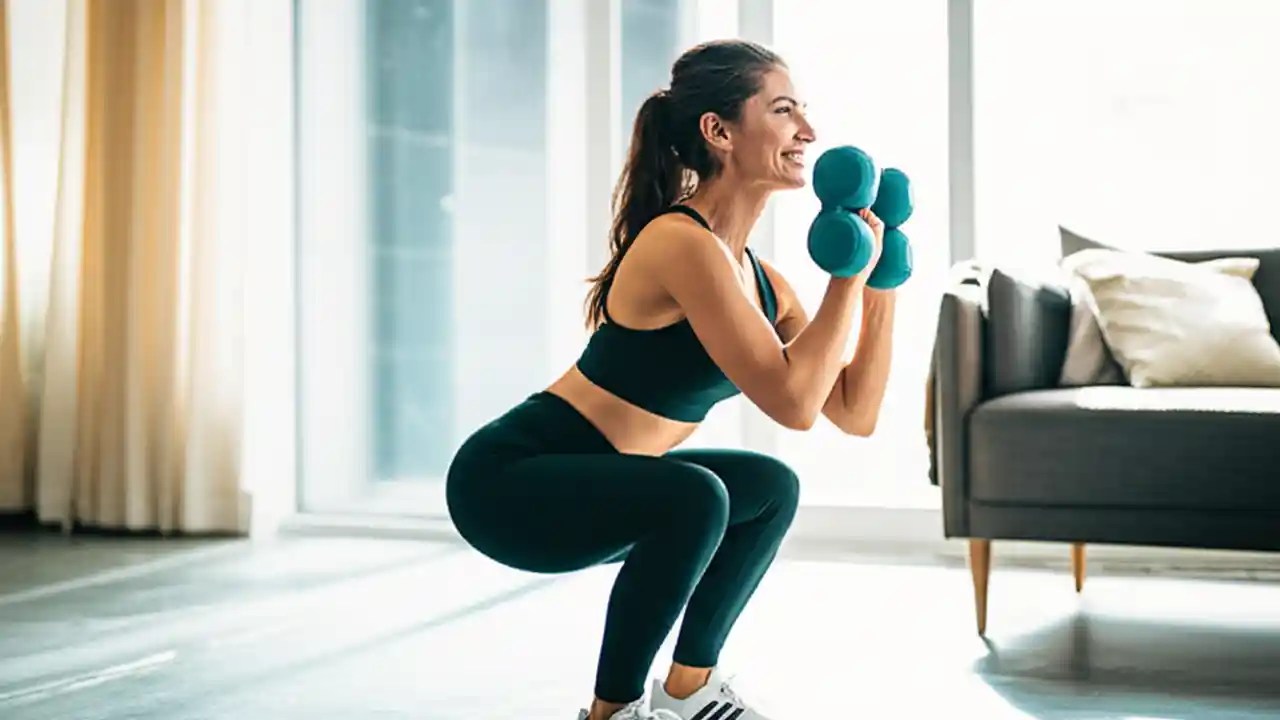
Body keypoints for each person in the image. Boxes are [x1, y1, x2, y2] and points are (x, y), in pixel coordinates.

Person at [445, 39, 896, 720]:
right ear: (718, 132)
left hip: (609, 486)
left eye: (805, 112)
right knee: (696, 495)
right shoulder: (679, 242)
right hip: (509, 483)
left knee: (769, 489)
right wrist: (848, 275)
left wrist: (881, 284)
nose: (808, 131)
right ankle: (611, 713)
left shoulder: (765, 284)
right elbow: (794, 404)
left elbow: (851, 411)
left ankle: (690, 692)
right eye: (783, 111)